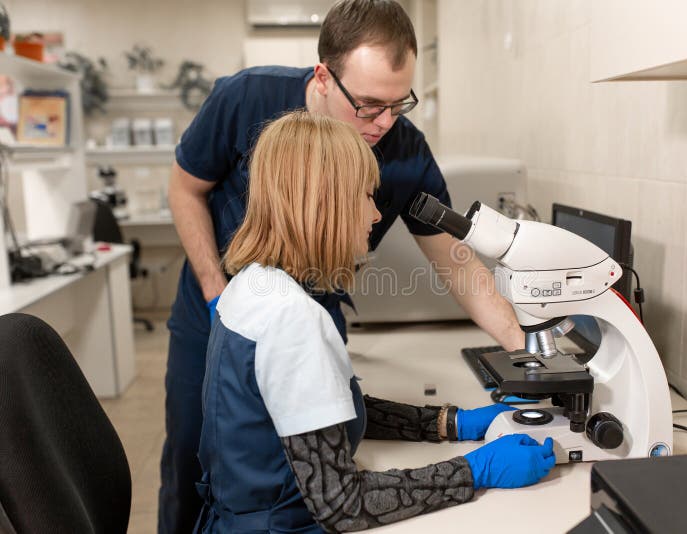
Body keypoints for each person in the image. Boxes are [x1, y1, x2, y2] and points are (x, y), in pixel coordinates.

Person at [161, 1, 526, 531]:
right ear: (323, 78)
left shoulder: (405, 151)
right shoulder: (245, 99)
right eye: (370, 105)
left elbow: (458, 265)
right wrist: (475, 470)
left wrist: (507, 366)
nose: (386, 123)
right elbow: (340, 502)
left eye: (399, 105)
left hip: (273, 304)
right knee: (188, 459)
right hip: (219, 301)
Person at [195, 110, 555, 533]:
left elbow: (319, 415)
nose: (376, 215)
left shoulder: (253, 284)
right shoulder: (292, 319)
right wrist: (474, 470)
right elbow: (342, 504)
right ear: (325, 204)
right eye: (367, 196)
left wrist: (449, 423)